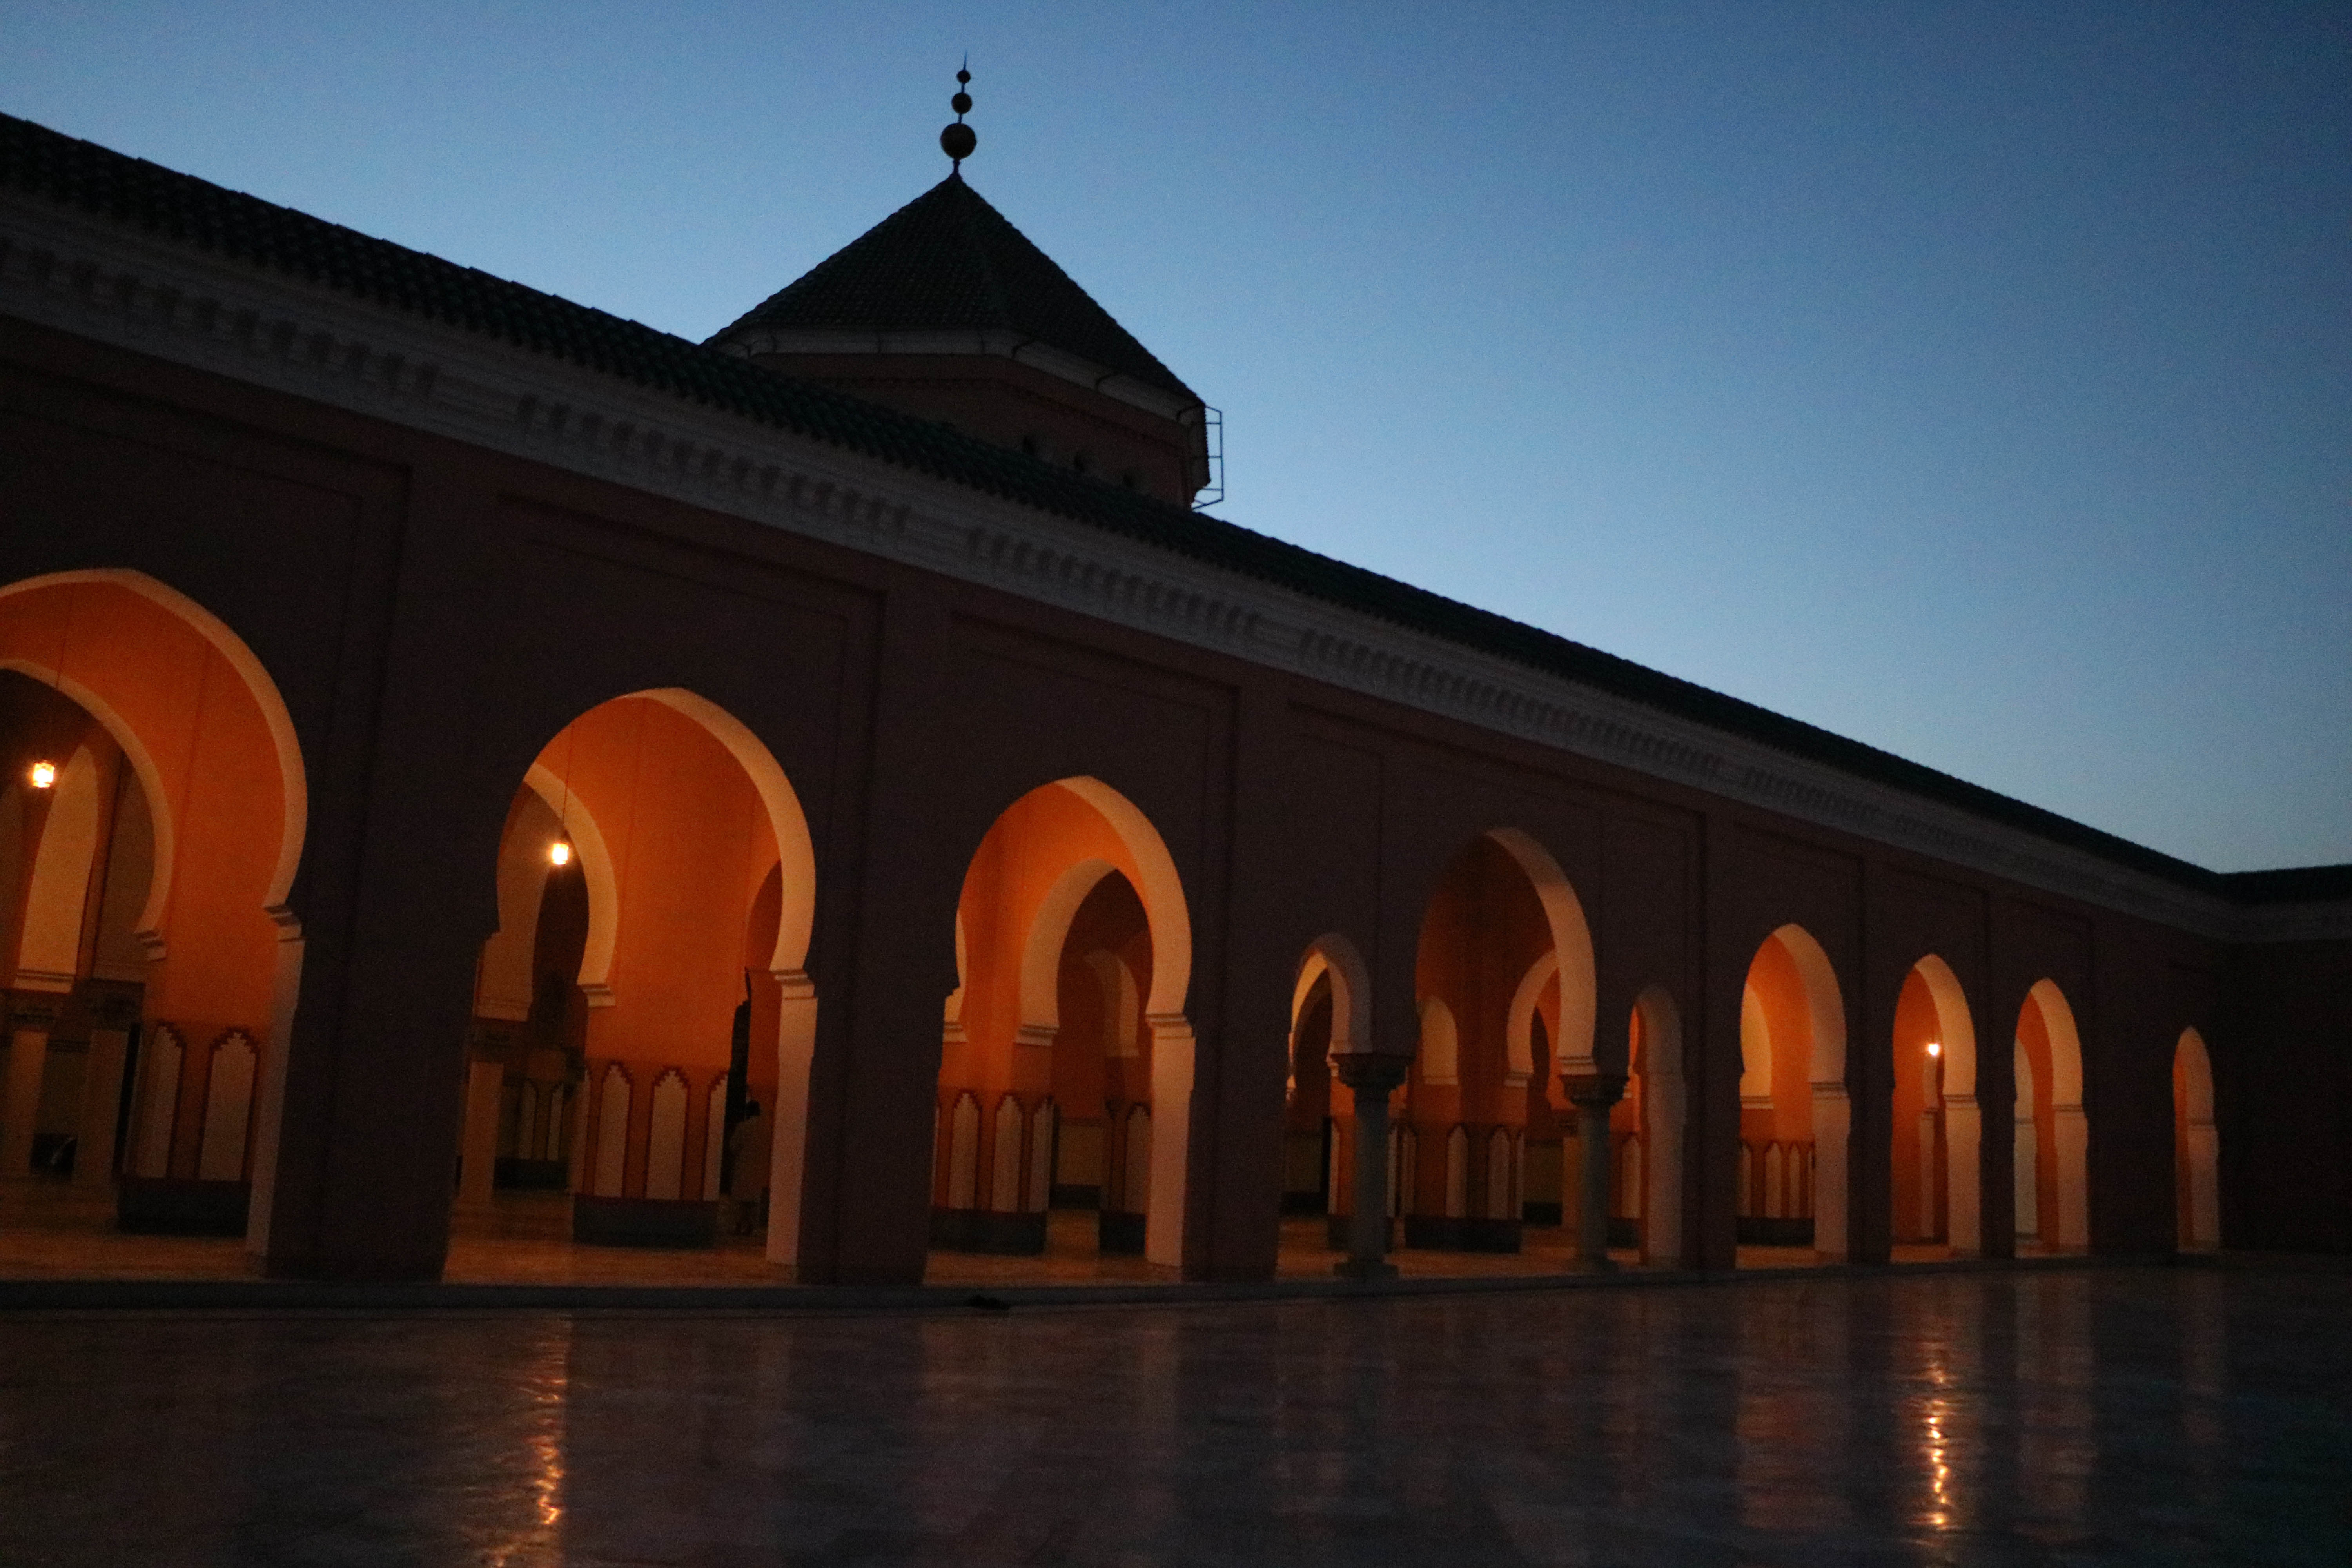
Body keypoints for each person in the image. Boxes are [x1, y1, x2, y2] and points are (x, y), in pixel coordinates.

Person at [728, 1100, 771, 1236]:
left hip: (743, 1165)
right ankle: (751, 1226)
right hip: (760, 1167)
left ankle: (739, 1225)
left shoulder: (743, 1127)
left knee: (740, 1199)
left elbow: (733, 1146)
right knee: (755, 1200)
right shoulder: (766, 1129)